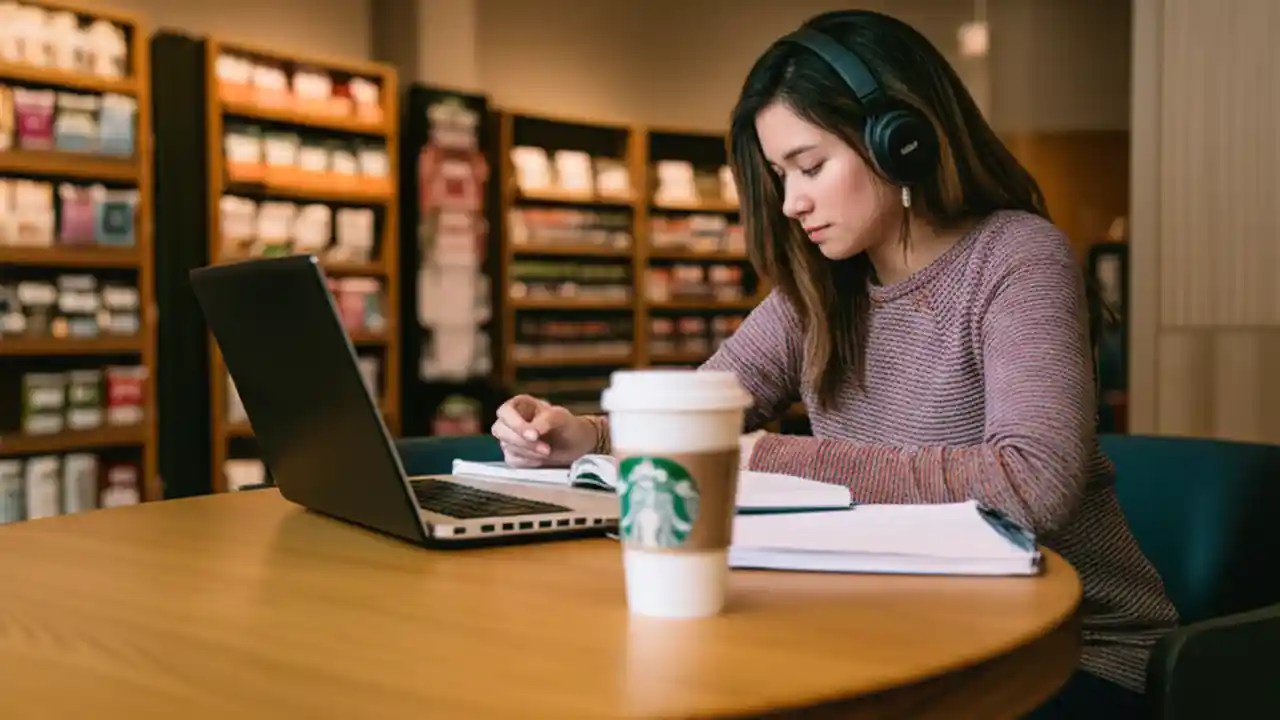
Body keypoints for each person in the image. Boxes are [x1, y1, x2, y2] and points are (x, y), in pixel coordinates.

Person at [491, 10, 1176, 718]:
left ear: (899, 140)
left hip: (1070, 651)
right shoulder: (822, 287)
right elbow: (703, 411)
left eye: (812, 166)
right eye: (780, 175)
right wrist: (584, 436)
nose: (792, 203)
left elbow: (1034, 481)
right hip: (899, 634)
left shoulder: (1016, 258)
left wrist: (778, 458)